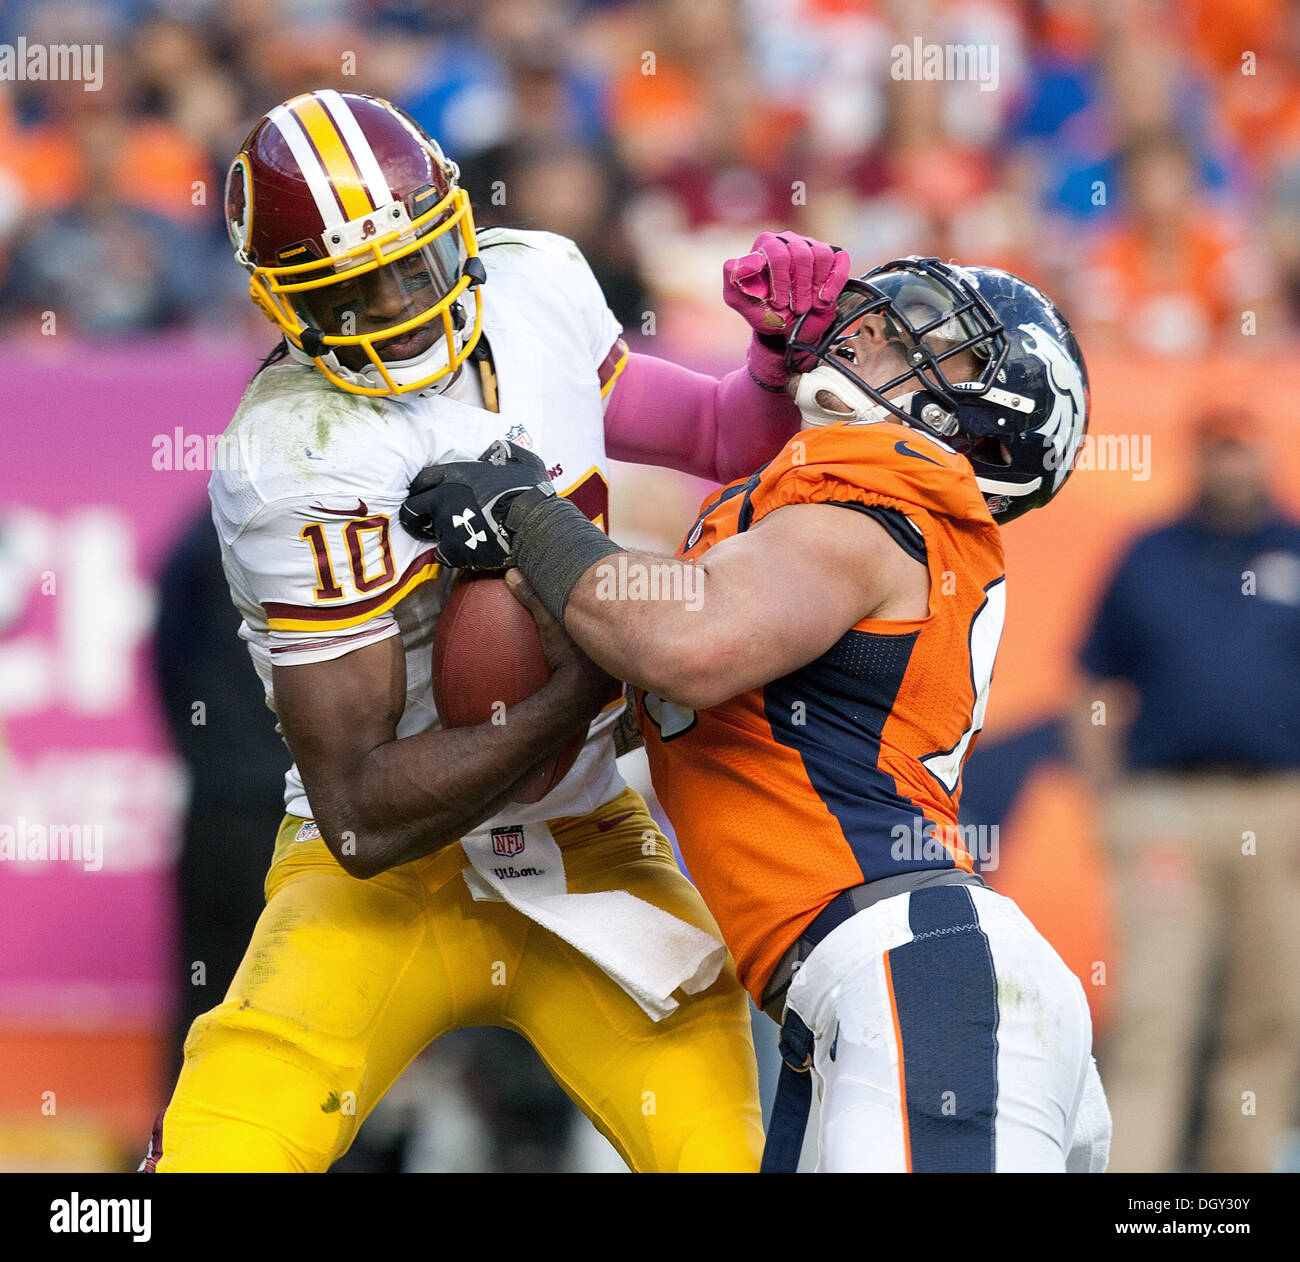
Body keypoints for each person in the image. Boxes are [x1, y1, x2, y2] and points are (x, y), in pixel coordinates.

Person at [145, 88, 853, 1173]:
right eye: (350, 289)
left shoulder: (535, 281)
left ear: (460, 227)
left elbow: (716, 433)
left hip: (584, 843)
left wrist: (776, 362)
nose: (396, 308)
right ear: (286, 306)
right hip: (389, 883)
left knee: (721, 1155)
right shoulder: (295, 450)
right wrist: (587, 684)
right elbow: (360, 816)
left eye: (414, 265)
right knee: (211, 1160)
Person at [403, 256, 1113, 1172]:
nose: (868, 333)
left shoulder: (884, 496)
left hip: (914, 972)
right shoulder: (816, 529)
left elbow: (683, 640)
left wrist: (527, 514)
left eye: (917, 341)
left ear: (985, 426)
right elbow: (651, 667)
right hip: (881, 986)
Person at [1071, 410, 1300, 1172]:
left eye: (1242, 447)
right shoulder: (1149, 553)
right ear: (1196, 455)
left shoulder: (1294, 548)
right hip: (1165, 806)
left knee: (1270, 1014)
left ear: (1263, 452)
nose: (1231, 465)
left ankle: (1240, 1185)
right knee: (1155, 1011)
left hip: (1278, 807)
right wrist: (1109, 798)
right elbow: (1093, 683)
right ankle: (1141, 1189)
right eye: (1217, 449)